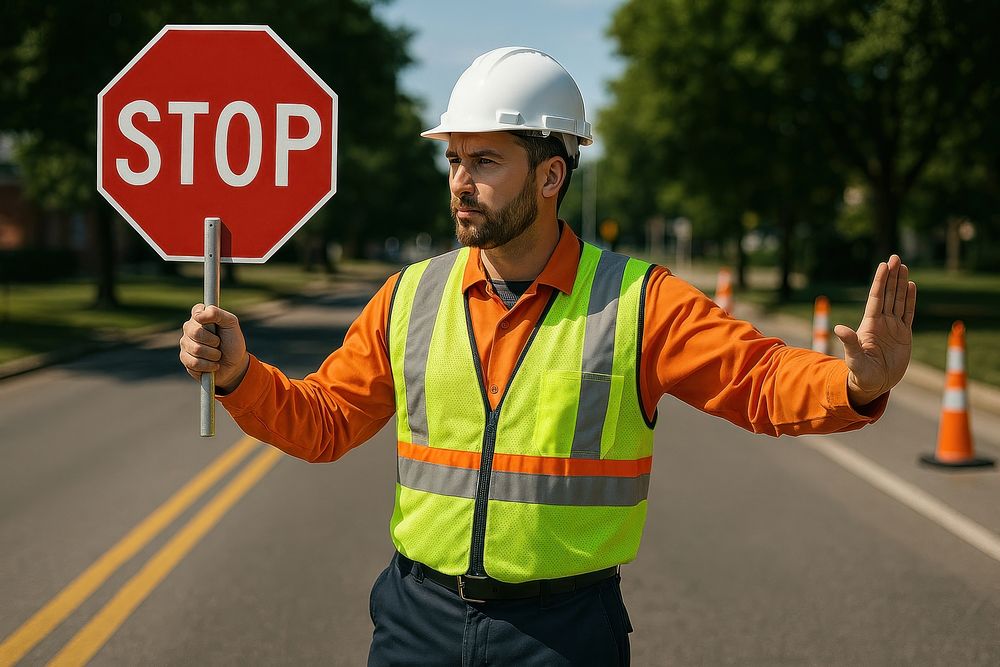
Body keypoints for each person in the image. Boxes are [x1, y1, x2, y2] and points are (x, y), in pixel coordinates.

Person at [179, 46, 916, 666]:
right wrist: (242, 375)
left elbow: (758, 380)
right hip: (416, 621)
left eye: (486, 161)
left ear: (551, 174)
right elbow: (323, 421)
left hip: (563, 635)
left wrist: (851, 385)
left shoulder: (638, 300)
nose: (461, 182)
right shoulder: (410, 296)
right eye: (456, 159)